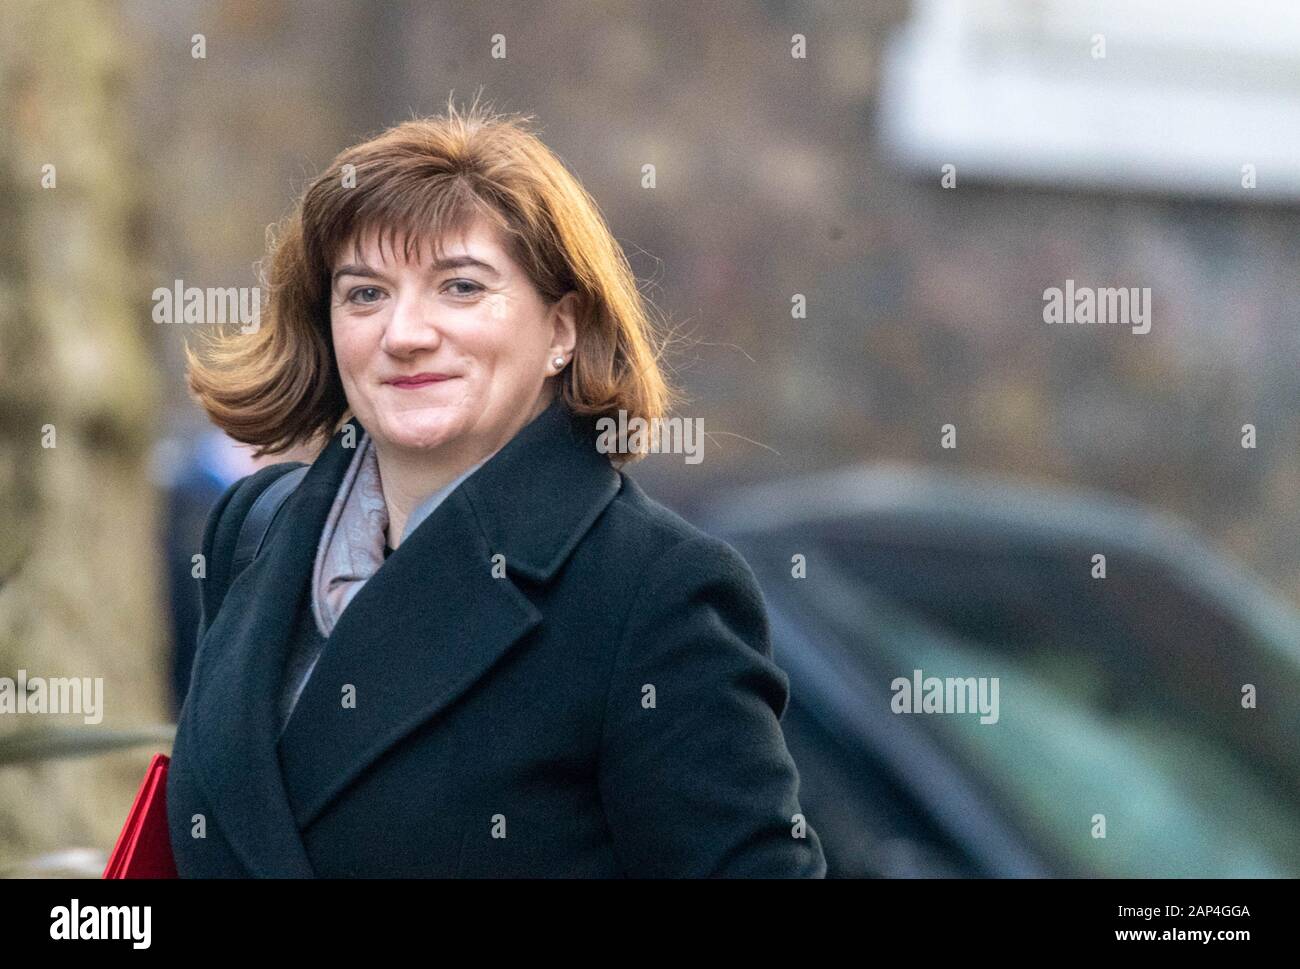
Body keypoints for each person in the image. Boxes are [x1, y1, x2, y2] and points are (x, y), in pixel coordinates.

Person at [166, 98, 826, 878]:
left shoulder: (655, 592)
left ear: (562, 329)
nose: (405, 333)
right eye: (366, 293)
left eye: (461, 287)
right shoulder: (252, 528)